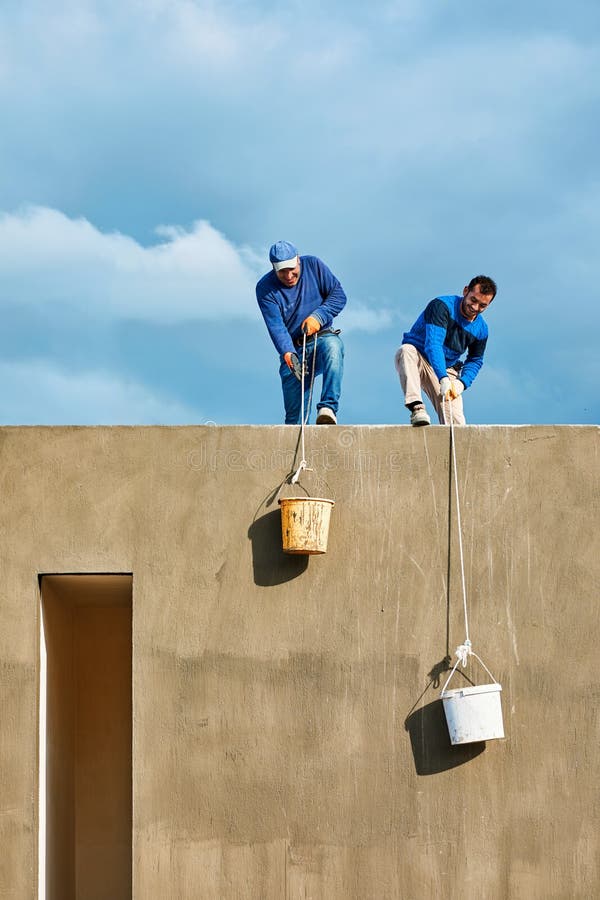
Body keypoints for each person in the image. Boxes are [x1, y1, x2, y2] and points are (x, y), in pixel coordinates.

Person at [256, 241, 347, 424]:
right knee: (294, 421)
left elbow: (338, 295)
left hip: (321, 338)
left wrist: (318, 317)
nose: (289, 276)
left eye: (292, 269)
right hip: (294, 351)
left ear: (298, 260)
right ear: (274, 269)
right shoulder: (265, 289)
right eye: (282, 271)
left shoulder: (314, 265)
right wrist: (288, 353)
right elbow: (276, 326)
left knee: (333, 347)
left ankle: (327, 407)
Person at [395, 275, 497, 426]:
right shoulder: (441, 306)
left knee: (457, 423)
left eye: (482, 305)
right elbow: (433, 344)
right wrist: (442, 378)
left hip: (447, 367)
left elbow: (475, 360)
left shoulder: (481, 329)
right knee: (406, 350)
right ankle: (417, 408)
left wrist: (461, 383)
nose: (475, 308)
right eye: (473, 300)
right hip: (419, 357)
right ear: (465, 291)